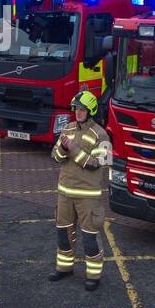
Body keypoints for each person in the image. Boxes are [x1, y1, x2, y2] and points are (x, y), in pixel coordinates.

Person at [48, 91, 111, 291]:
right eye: (76, 109)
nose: (78, 112)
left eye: (82, 109)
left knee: (90, 237)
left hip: (87, 196)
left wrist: (73, 150)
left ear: (91, 110)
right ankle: (64, 268)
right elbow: (55, 156)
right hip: (65, 192)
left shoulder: (101, 134)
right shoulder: (68, 128)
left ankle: (93, 276)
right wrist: (63, 150)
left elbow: (99, 164)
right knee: (63, 234)